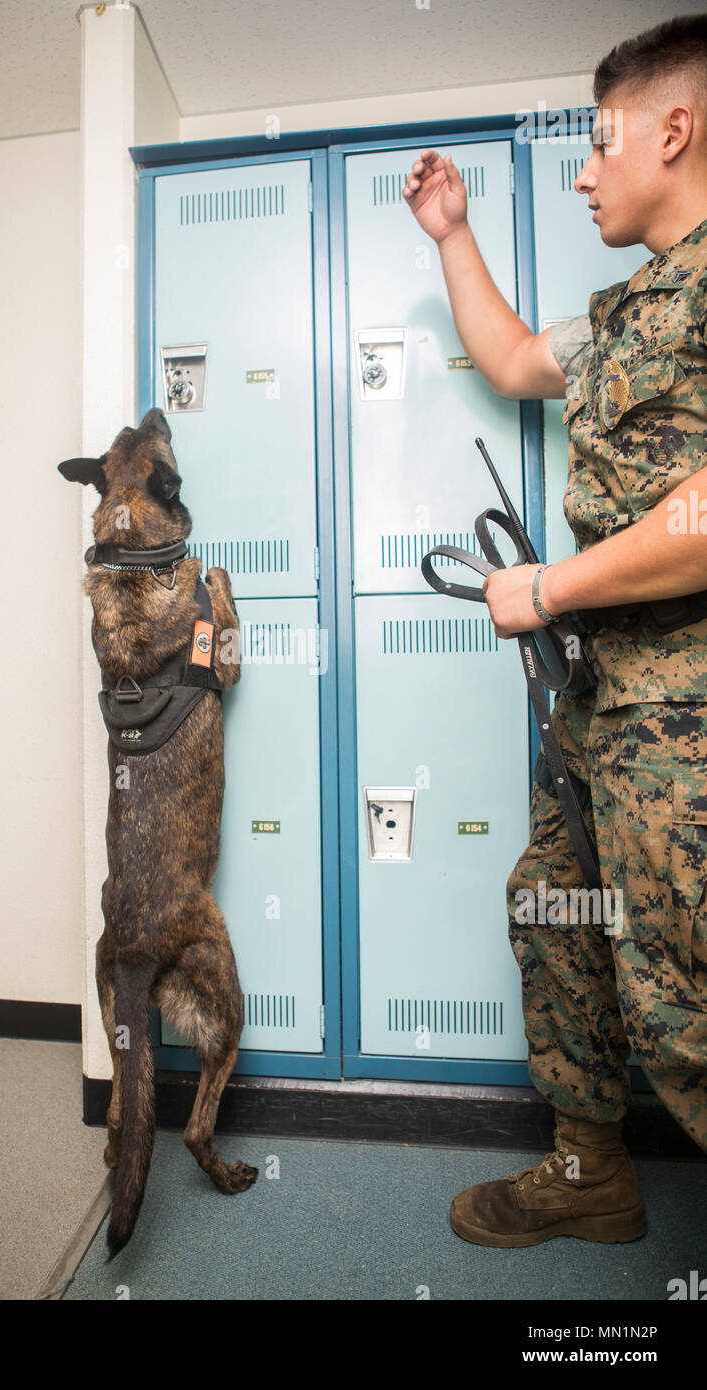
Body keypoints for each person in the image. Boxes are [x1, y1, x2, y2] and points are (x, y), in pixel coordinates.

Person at [403, 13, 707, 1247]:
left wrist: (551, 588)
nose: (581, 171)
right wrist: (453, 236)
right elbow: (516, 356)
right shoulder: (625, 311)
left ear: (673, 130)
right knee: (555, 913)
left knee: (684, 996)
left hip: (681, 733)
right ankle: (590, 1168)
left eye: (599, 142)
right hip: (591, 719)